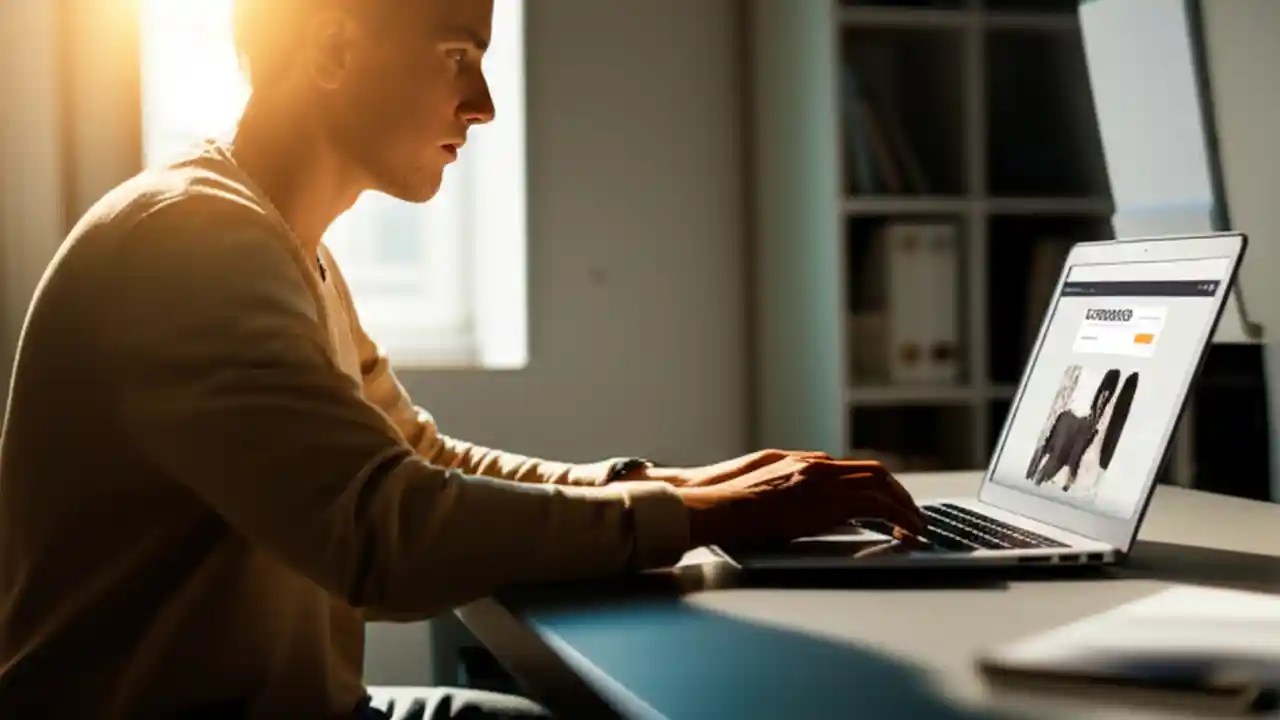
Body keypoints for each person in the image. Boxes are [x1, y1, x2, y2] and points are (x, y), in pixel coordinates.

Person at [0, 1, 925, 717]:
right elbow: (381, 536)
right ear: (331, 50)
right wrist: (691, 516)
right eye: (458, 56)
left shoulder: (281, 243)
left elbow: (421, 461)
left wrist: (672, 487)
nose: (482, 106)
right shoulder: (194, 244)